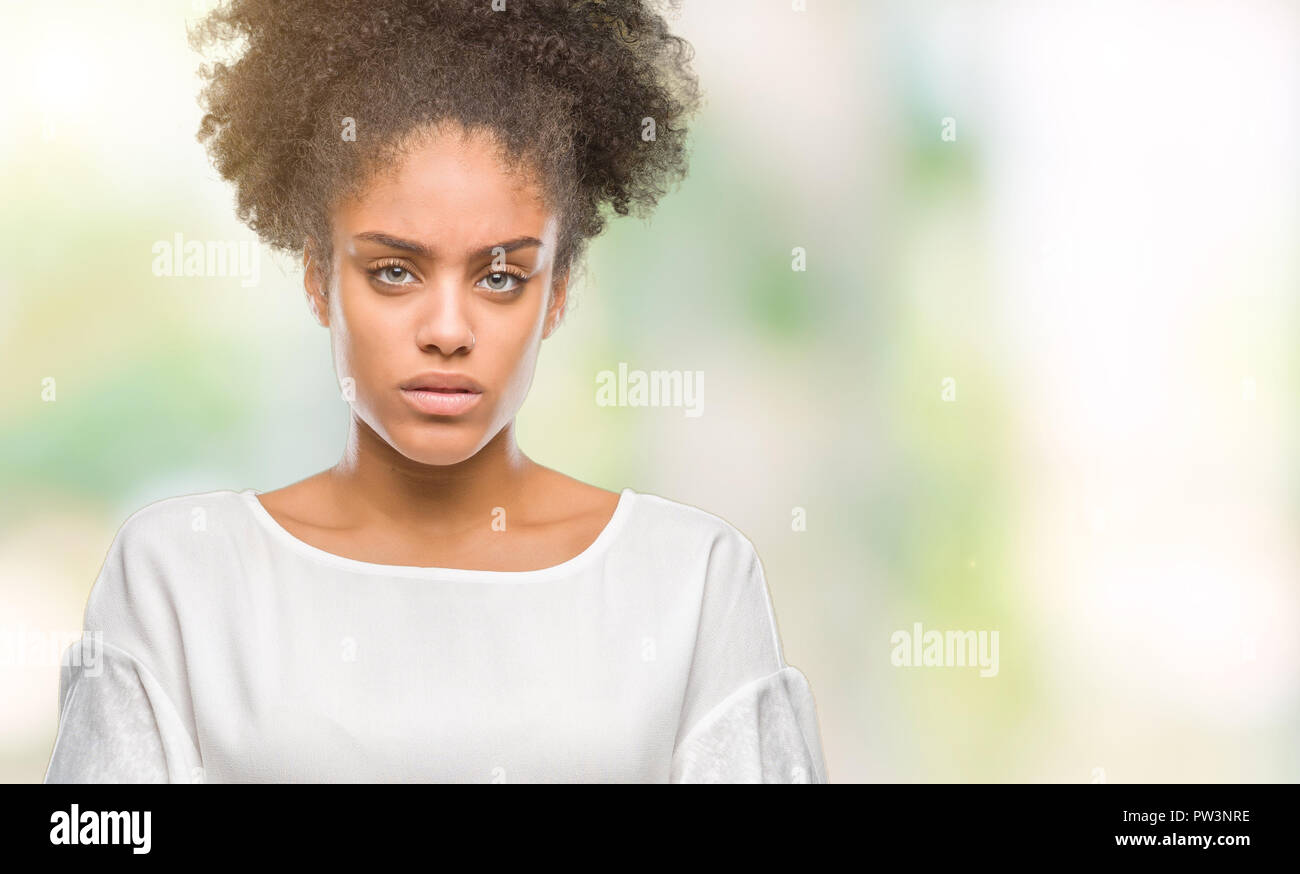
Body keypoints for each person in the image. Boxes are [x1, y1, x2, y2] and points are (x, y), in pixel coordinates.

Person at [44, 0, 827, 783]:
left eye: (499, 276)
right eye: (394, 270)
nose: (447, 330)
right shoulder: (182, 580)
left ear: (556, 293)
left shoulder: (691, 583)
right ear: (319, 278)